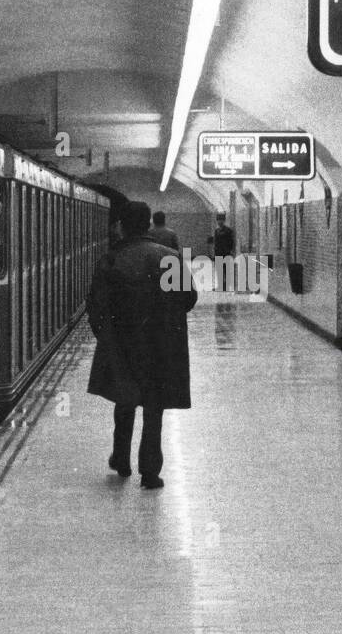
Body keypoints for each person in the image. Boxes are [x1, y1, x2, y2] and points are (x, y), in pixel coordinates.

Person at [87, 200, 197, 489]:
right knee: (153, 407)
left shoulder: (111, 259)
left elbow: (95, 306)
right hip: (160, 345)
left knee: (124, 401)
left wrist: (107, 338)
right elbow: (188, 299)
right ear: (148, 224)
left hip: (122, 343)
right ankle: (150, 472)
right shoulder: (169, 257)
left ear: (121, 227)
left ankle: (120, 458)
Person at [206, 212, 236, 291]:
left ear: (224, 220)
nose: (220, 222)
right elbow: (216, 242)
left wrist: (230, 251)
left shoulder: (228, 231)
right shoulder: (216, 231)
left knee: (225, 270)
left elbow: (231, 242)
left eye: (221, 220)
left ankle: (225, 286)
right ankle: (220, 286)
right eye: (218, 220)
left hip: (226, 253)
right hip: (218, 253)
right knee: (219, 270)